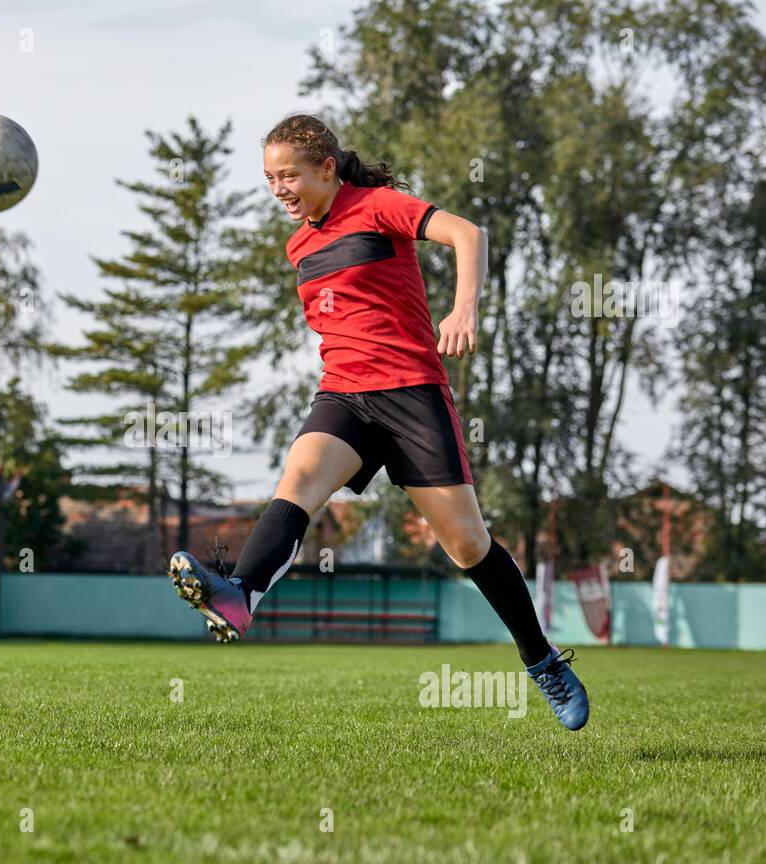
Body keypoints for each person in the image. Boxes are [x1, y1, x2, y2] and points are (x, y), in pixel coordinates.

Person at [167, 113, 588, 731]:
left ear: (327, 168)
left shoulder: (378, 207)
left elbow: (468, 234)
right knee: (302, 476)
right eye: (269, 178)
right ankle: (238, 596)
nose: (280, 188)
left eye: (290, 175)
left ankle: (542, 660)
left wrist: (462, 308)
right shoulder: (298, 246)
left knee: (468, 544)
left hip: (413, 393)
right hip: (344, 395)